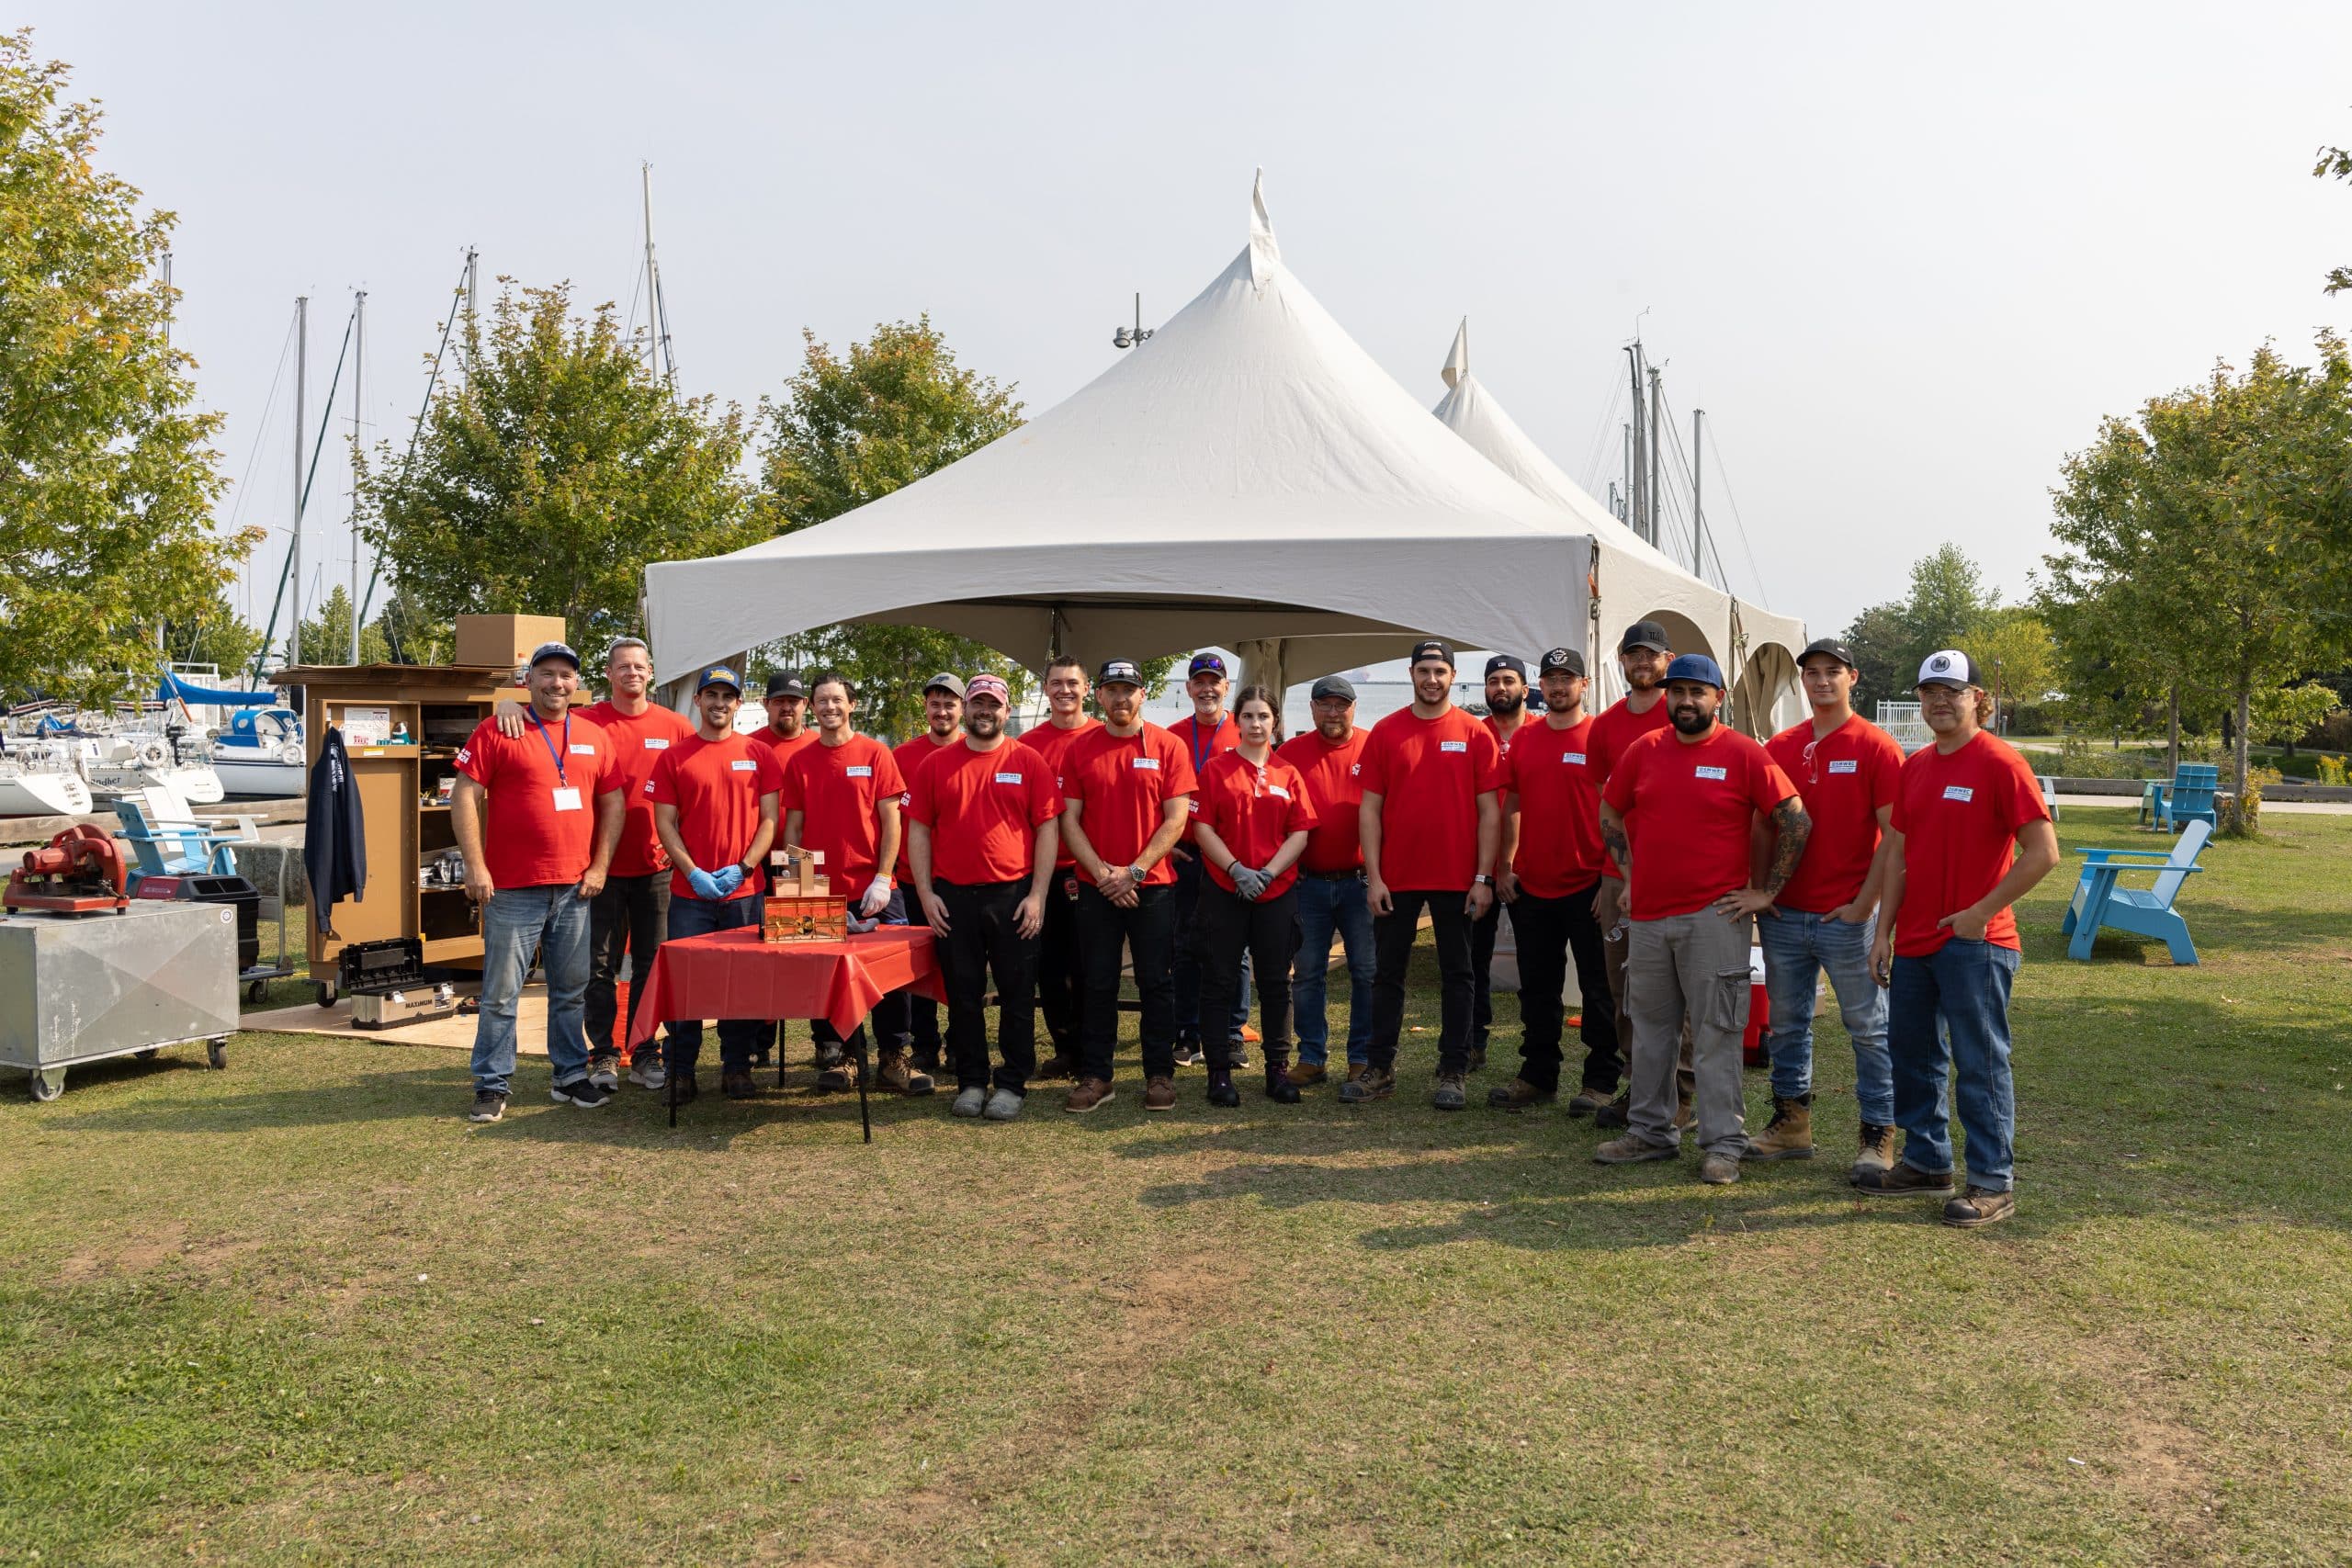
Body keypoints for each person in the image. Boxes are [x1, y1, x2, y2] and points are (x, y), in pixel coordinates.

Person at [1859, 650, 2058, 1228]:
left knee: (1980, 1062)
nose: (1940, 701)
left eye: (1953, 690)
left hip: (1978, 943)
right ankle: (1925, 1161)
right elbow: (1896, 855)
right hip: (1916, 943)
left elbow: (2044, 853)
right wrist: (1883, 932)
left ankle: (1993, 1182)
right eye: (1929, 691)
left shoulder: (2001, 763)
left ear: (1978, 698)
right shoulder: (1914, 766)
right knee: (1913, 1056)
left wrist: (1979, 913)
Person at [1593, 654, 1809, 1184]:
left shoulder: (1742, 753)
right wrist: (1629, 870)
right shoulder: (1645, 750)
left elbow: (1795, 819)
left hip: (1714, 918)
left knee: (1716, 1033)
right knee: (1650, 1030)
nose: (1685, 701)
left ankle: (1723, 1143)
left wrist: (1766, 891)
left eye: (1697, 691)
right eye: (1677, 692)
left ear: (1718, 698)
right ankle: (1650, 1131)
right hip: (1648, 918)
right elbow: (1610, 809)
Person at [492, 637, 693, 1091]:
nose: (632, 674)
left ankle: (644, 1050)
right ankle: (602, 1052)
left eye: (639, 666)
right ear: (607, 674)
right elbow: (539, 716)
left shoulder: (676, 726)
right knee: (597, 969)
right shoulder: (586, 720)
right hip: (594, 871)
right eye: (622, 666)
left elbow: (693, 788)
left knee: (651, 963)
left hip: (655, 867)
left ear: (650, 673)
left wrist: (679, 848)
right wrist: (505, 700)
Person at [1747, 637, 1905, 1173]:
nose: (1820, 681)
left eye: (1831, 671)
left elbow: (1894, 838)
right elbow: (1765, 825)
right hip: (1785, 916)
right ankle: (1791, 1123)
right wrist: (1762, 888)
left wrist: (1866, 905)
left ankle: (1878, 1134)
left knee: (1869, 1028)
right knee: (1788, 1025)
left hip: (1847, 918)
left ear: (1852, 678)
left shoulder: (1877, 746)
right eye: (1811, 672)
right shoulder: (1782, 746)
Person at [451, 641, 625, 1122]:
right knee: (501, 995)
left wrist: (600, 865)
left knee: (570, 991)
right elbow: (464, 796)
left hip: (575, 888)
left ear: (577, 683)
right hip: (512, 888)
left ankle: (569, 1075)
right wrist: (475, 865)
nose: (556, 683)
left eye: (566, 675)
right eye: (546, 674)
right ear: (528, 680)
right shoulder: (498, 729)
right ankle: (491, 1083)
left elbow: (613, 803)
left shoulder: (593, 735)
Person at [1347, 639, 1505, 1109]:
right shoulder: (1387, 731)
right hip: (1397, 878)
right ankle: (1379, 1067)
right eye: (1424, 670)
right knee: (1386, 975)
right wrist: (1373, 876)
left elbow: (1490, 814)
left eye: (1440, 671)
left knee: (1459, 974)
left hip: (1458, 878)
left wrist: (1483, 878)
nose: (1431, 679)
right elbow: (1369, 811)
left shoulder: (1475, 733)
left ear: (1453, 676)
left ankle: (1454, 1068)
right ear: (1411, 674)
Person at [907, 674, 1060, 1121]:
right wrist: (927, 893)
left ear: (1006, 712)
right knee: (963, 994)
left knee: (1016, 993)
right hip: (954, 897)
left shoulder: (1028, 761)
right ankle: (972, 1081)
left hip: (1013, 895)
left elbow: (1046, 828)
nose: (985, 711)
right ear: (966, 710)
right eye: (977, 704)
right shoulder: (935, 765)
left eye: (993, 704)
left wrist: (1038, 896)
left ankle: (1012, 1083)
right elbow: (918, 830)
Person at [1057, 657, 1198, 1113]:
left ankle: (1159, 1073)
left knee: (1156, 982)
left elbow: (1176, 819)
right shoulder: (1079, 749)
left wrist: (1133, 871)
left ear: (1142, 694)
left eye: (1129, 689)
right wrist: (1103, 874)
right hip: (1096, 887)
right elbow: (1069, 821)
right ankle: (1097, 1076)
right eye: (1112, 689)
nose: (1121, 698)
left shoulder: (1169, 746)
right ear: (1098, 695)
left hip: (1152, 886)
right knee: (1096, 983)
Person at [780, 671, 927, 1094]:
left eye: (837, 700)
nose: (829, 707)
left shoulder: (876, 753)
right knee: (825, 976)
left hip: (874, 887)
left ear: (852, 704)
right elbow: (795, 826)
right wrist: (794, 885)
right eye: (821, 700)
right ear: (812, 707)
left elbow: (891, 821)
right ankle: (845, 1056)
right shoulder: (800, 762)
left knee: (891, 978)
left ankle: (893, 1057)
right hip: (818, 889)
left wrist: (884, 877)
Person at [1488, 647, 1617, 1112]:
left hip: (1589, 884)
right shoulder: (1524, 738)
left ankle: (1601, 1080)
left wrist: (1611, 876)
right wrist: (1505, 865)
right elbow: (1513, 802)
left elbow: (1615, 811)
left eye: (1568, 678)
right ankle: (1538, 1076)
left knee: (1598, 988)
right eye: (1551, 678)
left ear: (1585, 685)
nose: (1559, 686)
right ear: (1538, 686)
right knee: (1537, 989)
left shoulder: (1600, 736)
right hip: (1533, 885)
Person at [646, 666, 784, 1101]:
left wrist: (743, 868)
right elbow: (664, 822)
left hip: (745, 891)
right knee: (687, 984)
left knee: (742, 984)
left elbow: (770, 820)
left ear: (738, 703)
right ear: (698, 701)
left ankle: (737, 1067)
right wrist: (691, 872)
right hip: (691, 895)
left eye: (728, 696)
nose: (719, 703)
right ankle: (681, 1071)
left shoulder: (760, 755)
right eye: (712, 695)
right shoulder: (674, 757)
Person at [1187, 685, 1317, 1106]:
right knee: (1219, 982)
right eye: (1248, 716)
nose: (1256, 724)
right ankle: (1219, 1073)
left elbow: (1300, 831)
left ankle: (1277, 1070)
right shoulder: (1216, 770)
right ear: (1237, 721)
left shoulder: (1288, 773)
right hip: (1225, 890)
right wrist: (1236, 869)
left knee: (1277, 984)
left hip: (1275, 892)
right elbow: (1203, 828)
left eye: (1264, 716)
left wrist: (1267, 873)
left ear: (1274, 722)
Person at [1587, 620, 1682, 1128]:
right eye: (1633, 655)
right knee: (1625, 986)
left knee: (1682, 986)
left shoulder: (1686, 715)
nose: (1642, 663)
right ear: (1621, 662)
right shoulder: (1604, 726)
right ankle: (1639, 1086)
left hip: (1681, 873)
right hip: (1621, 876)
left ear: (1668, 660)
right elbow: (1607, 806)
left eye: (1651, 655)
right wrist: (1613, 875)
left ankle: (1682, 1094)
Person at [1273, 675, 1375, 1088]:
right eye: (1325, 705)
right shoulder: (1289, 754)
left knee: (1366, 972)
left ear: (1354, 707)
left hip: (1362, 881)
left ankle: (1362, 1056)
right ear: (1312, 708)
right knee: (1309, 972)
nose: (1334, 713)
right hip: (1308, 883)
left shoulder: (1373, 745)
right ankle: (1312, 1056)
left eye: (1341, 705)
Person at [1016, 655, 1100, 1078]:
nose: (1065, 690)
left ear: (1087, 689)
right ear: (1045, 689)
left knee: (1089, 965)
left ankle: (1091, 1050)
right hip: (1041, 873)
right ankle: (1064, 1046)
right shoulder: (1026, 744)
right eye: (1056, 683)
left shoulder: (1105, 737)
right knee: (1047, 966)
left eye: (1073, 682)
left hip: (1093, 872)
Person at [1167, 651, 1250, 1067]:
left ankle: (1233, 1034)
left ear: (1226, 688)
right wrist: (1164, 847)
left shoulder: (1245, 730)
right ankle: (1188, 1032)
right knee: (1185, 947)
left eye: (1214, 682)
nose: (1206, 689)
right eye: (1198, 681)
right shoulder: (1171, 735)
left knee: (1235, 951)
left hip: (1232, 858)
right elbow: (1152, 797)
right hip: (1184, 856)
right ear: (1188, 689)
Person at [894, 672, 967, 1077]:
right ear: (926, 708)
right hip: (911, 880)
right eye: (935, 703)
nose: (942, 711)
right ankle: (924, 1046)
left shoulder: (977, 750)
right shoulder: (903, 755)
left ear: (963, 708)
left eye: (950, 703)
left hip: (959, 881)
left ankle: (959, 1043)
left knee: (961, 967)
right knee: (919, 968)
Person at [747, 669, 820, 1073]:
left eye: (794, 700)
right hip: (760, 861)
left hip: (804, 862)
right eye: (779, 701)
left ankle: (823, 1039)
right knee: (763, 954)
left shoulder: (816, 743)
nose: (787, 707)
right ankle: (760, 1041)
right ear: (767, 704)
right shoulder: (752, 745)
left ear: (804, 705)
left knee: (808, 949)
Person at [1468, 653, 1532, 1071]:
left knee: (1536, 964)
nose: (1501, 688)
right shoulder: (1474, 734)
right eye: (1493, 681)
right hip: (1478, 869)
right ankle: (1473, 1043)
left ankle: (1535, 1053)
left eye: (1509, 680)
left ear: (1525, 689)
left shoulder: (1545, 731)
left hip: (1531, 870)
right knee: (1472, 961)